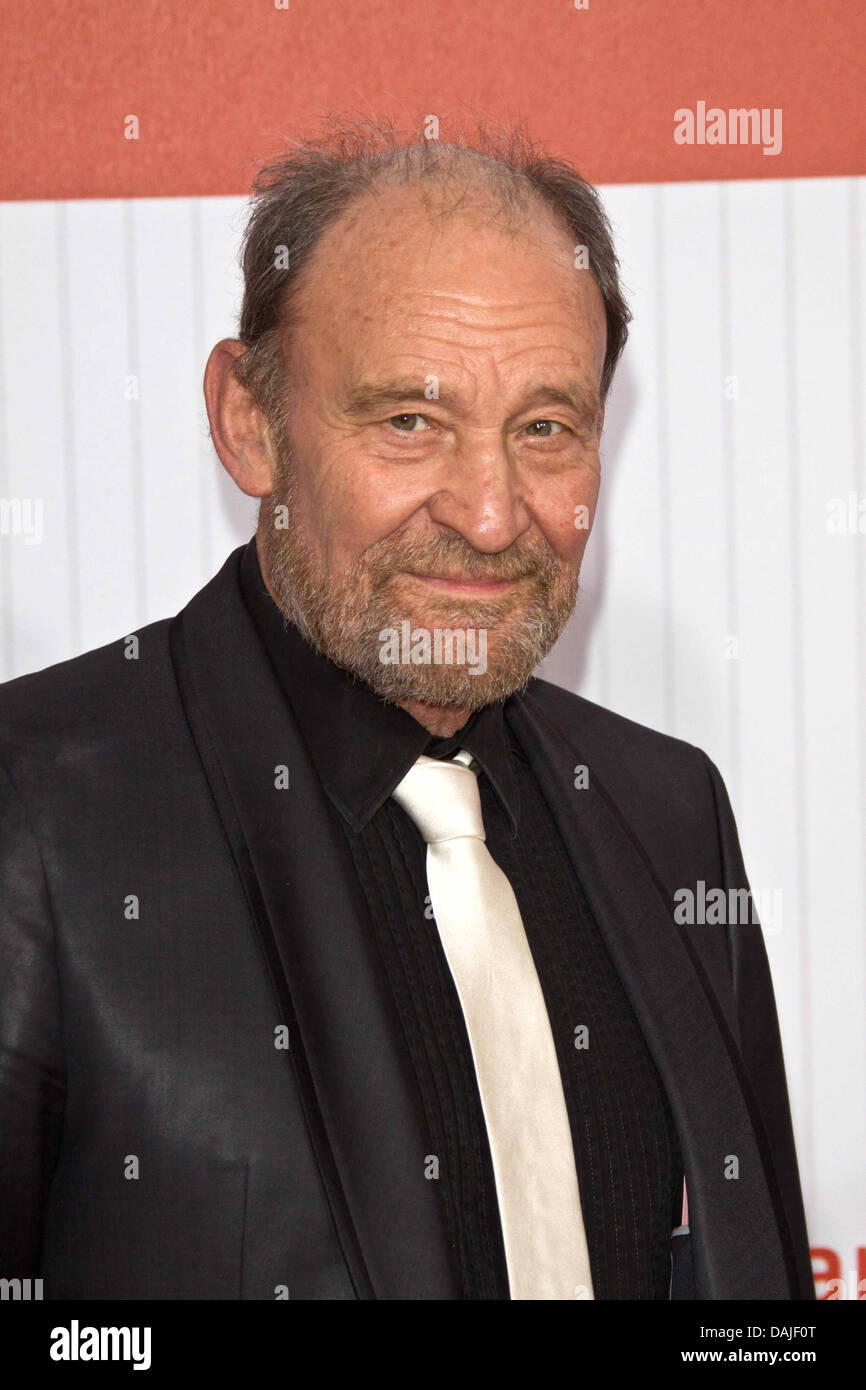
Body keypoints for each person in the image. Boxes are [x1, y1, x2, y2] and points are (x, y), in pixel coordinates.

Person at [0, 127, 813, 1300]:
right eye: (408, 423)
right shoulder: (37, 809)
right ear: (249, 421)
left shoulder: (666, 807)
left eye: (543, 428)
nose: (490, 515)